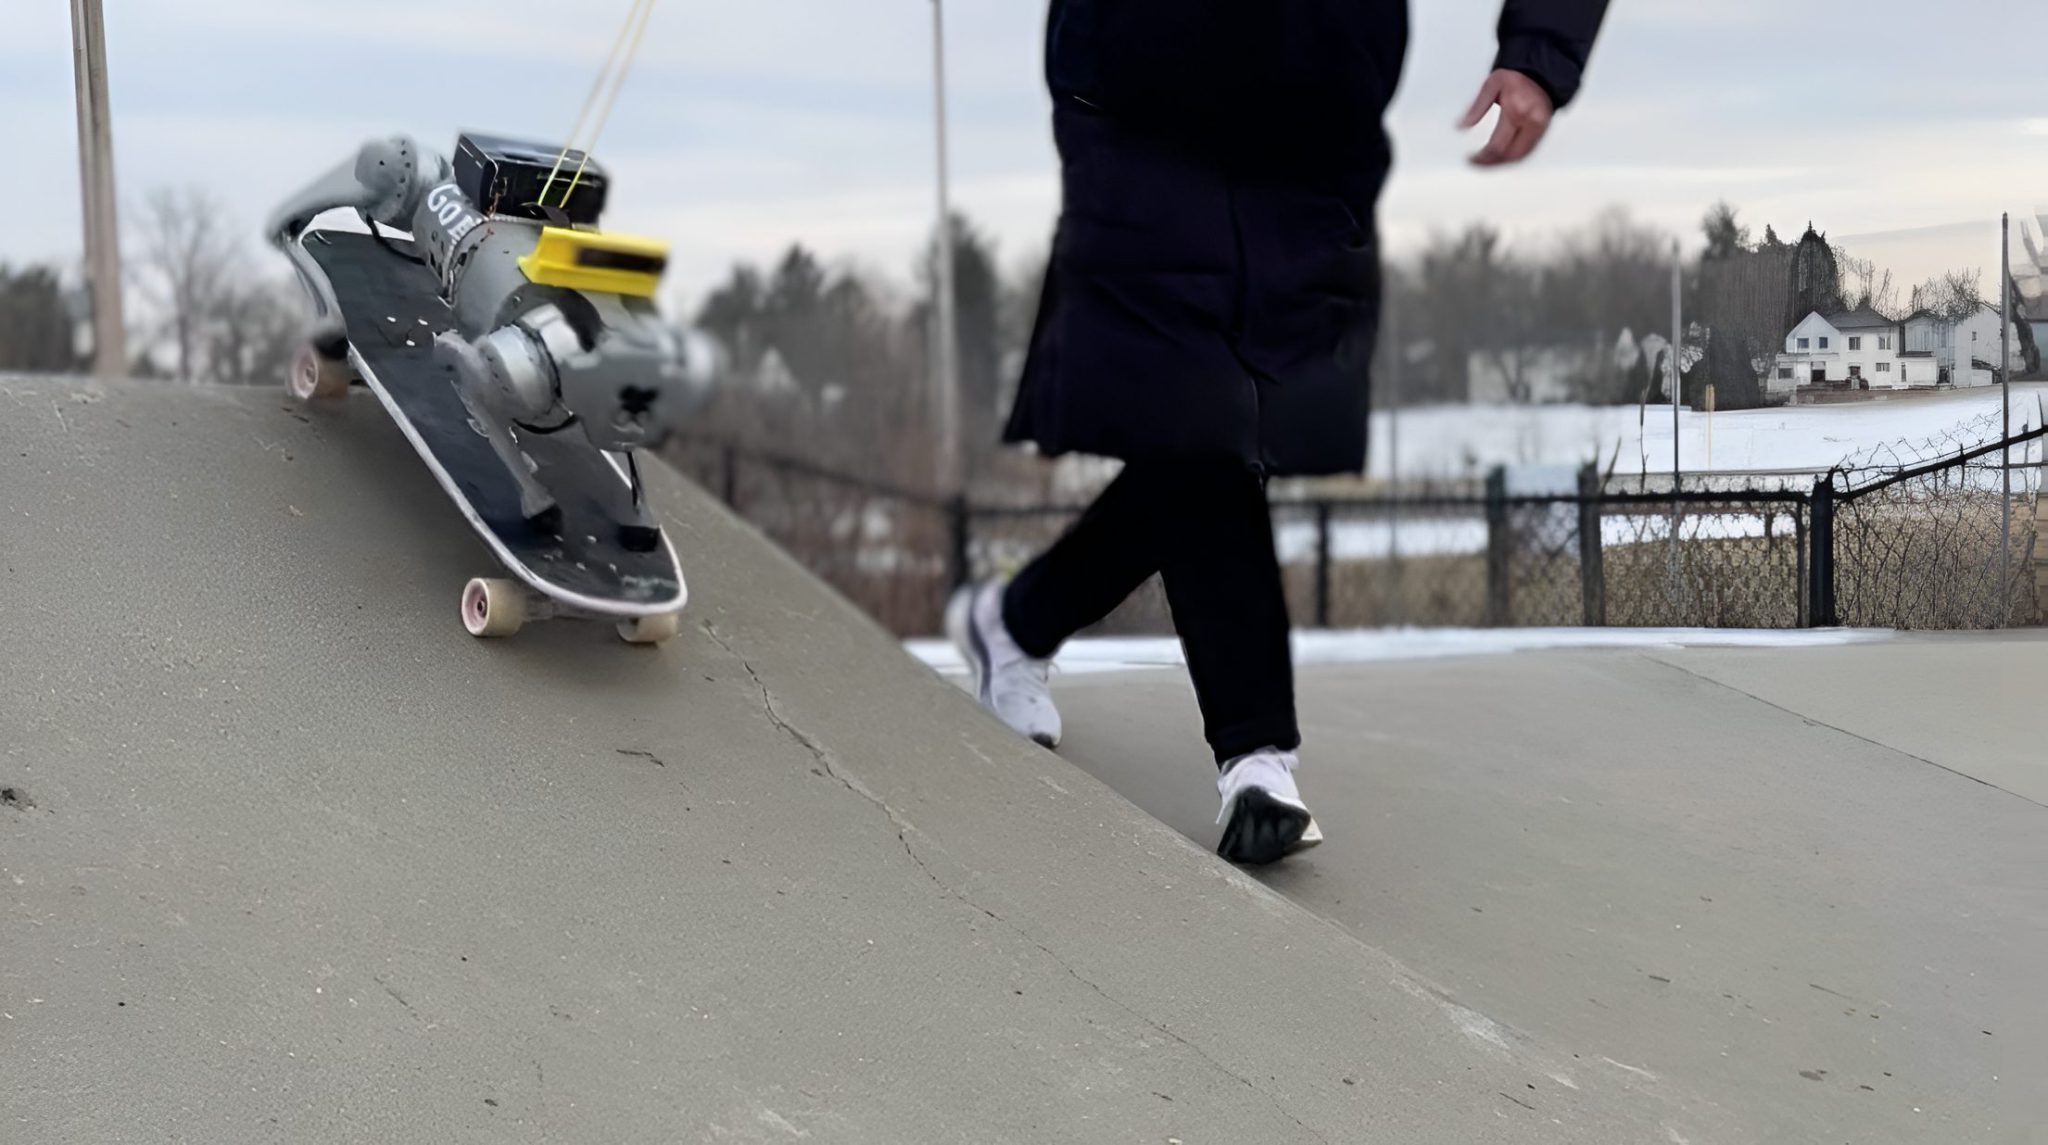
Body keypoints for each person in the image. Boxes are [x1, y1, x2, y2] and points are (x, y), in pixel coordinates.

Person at [949, 0, 1611, 866]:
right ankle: (1256, 759)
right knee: (1196, 413)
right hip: (1140, 84)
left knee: (1236, 417)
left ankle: (1016, 620)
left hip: (1314, 99)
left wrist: (1538, 48)